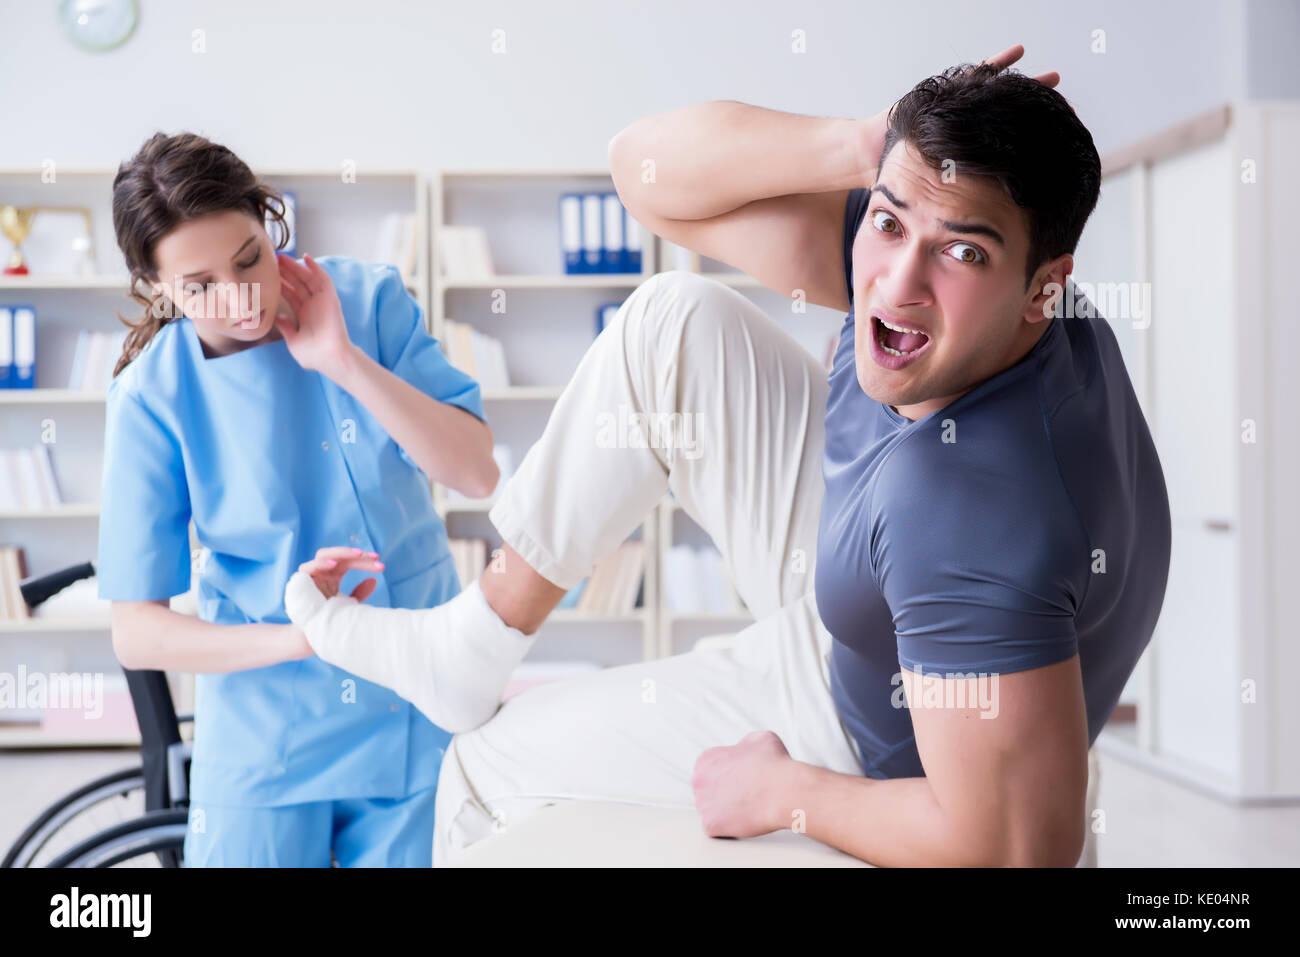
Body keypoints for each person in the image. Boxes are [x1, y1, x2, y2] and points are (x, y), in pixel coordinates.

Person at [284, 45, 1171, 867]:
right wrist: (875, 143)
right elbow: (646, 171)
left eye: (961, 251)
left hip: (874, 731)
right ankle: (474, 638)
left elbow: (1020, 849)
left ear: (1040, 288)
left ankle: (484, 696)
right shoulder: (994, 292)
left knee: (478, 766)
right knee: (674, 322)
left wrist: (792, 795)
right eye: (891, 222)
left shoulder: (967, 508)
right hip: (876, 580)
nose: (897, 285)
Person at [98, 131, 514, 867]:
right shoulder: (151, 398)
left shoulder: (367, 299)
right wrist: (313, 635)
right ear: (157, 286)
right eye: (199, 286)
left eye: (250, 257)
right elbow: (138, 632)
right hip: (265, 721)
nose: (241, 299)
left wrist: (344, 363)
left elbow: (478, 473)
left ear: (269, 220)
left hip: (414, 693)